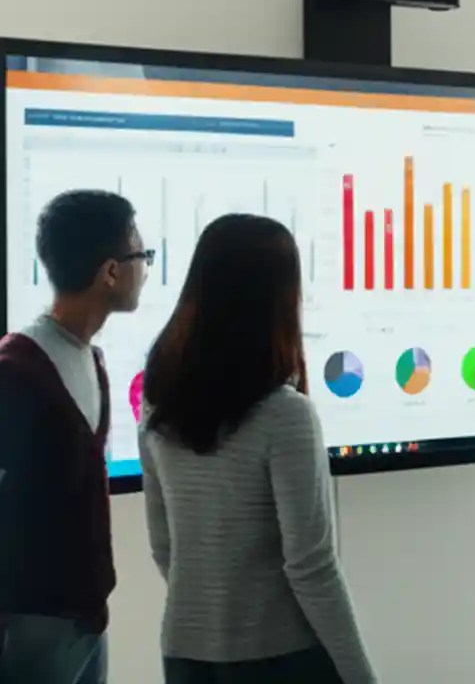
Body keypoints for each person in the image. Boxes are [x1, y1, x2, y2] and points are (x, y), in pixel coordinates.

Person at [139, 214, 376, 684]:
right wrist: (361, 676)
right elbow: (311, 566)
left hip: (186, 654)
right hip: (279, 657)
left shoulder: (160, 400)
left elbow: (165, 545)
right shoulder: (285, 415)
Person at [0, 190, 149, 684]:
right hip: (30, 622)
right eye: (142, 256)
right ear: (111, 272)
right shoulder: (17, 370)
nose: (146, 269)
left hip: (85, 618)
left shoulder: (92, 358)